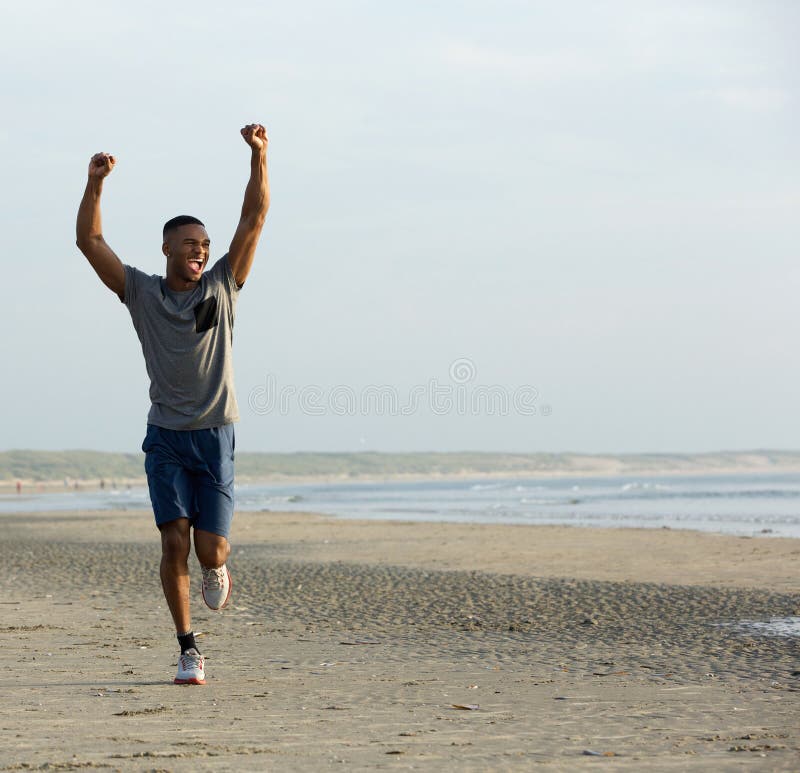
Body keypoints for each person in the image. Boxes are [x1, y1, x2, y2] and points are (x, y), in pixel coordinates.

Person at [76, 124, 270, 685]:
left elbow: (254, 218)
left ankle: (218, 568)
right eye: (190, 245)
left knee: (211, 550)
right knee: (172, 541)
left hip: (215, 434)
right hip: (164, 435)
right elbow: (90, 243)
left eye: (204, 246)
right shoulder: (141, 292)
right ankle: (188, 648)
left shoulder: (222, 287)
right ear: (167, 248)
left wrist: (260, 156)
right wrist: (95, 186)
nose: (200, 252)